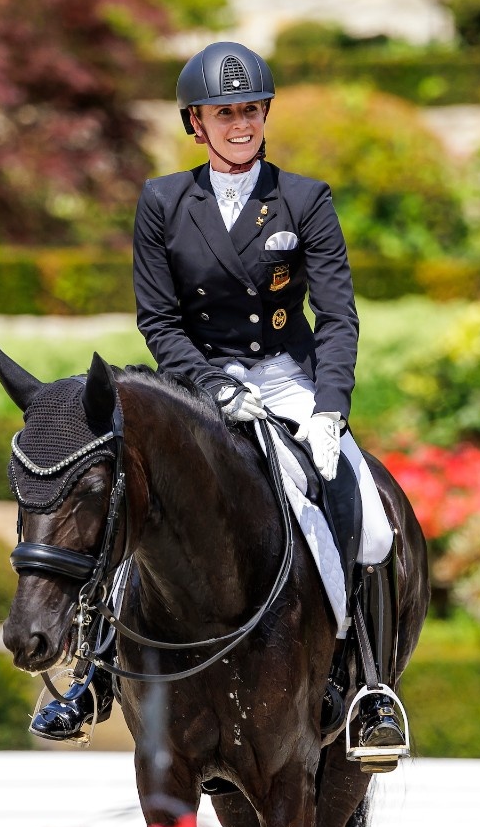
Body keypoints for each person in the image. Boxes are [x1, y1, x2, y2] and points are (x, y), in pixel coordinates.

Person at [29, 41, 409, 770]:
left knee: (370, 525)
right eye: (224, 112)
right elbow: (160, 319)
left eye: (250, 109)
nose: (240, 123)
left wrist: (329, 410)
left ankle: (368, 692)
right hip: (195, 380)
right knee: (130, 496)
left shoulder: (305, 199)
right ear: (195, 123)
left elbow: (338, 315)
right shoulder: (164, 202)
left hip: (286, 377)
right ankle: (95, 674)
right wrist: (208, 385)